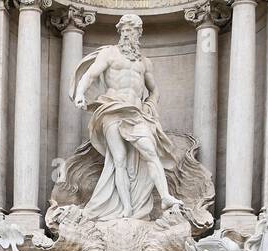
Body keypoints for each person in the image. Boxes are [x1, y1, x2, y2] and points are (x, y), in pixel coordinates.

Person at [70, 14, 183, 220]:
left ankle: (166, 196)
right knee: (118, 159)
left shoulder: (145, 62)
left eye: (132, 30)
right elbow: (90, 75)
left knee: (150, 152)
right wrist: (80, 93)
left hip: (136, 113)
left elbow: (154, 91)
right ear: (119, 31)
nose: (127, 33)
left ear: (139, 33)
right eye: (124, 30)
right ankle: (126, 209)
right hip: (112, 109)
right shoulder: (109, 54)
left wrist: (150, 105)